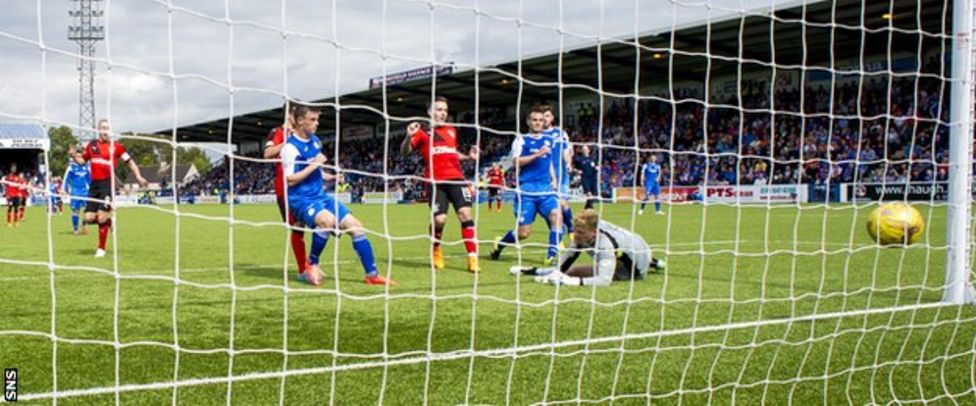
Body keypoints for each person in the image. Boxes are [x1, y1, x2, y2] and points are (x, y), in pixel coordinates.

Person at [281, 104, 395, 286]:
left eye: (317, 119)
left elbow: (314, 171)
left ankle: (372, 275)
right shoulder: (290, 148)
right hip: (301, 200)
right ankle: (312, 263)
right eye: (312, 119)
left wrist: (331, 176)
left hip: (320, 196)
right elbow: (290, 180)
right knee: (327, 221)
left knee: (355, 227)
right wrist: (315, 164)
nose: (317, 123)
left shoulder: (315, 141)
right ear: (300, 121)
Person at [400, 96, 480, 273]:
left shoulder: (452, 130)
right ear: (430, 112)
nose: (443, 113)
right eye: (439, 109)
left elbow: (452, 152)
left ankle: (473, 258)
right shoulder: (421, 132)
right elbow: (404, 152)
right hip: (435, 181)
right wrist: (408, 136)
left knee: (465, 214)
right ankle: (436, 248)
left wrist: (468, 157)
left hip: (457, 178)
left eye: (445, 110)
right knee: (440, 219)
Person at [512, 209, 666, 286]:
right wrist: (535, 272)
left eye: (580, 233)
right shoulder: (588, 232)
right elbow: (565, 262)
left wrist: (569, 281)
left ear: (593, 232)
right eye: (575, 231)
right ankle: (529, 270)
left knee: (576, 272)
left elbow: (604, 280)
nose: (575, 236)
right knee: (570, 270)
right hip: (638, 246)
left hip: (635, 270)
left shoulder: (605, 243)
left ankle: (651, 263)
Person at [489, 105, 563, 265]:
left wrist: (554, 178)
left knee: (557, 216)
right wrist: (537, 154)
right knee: (523, 233)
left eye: (541, 120)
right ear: (528, 122)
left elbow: (548, 161)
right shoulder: (521, 140)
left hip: (546, 189)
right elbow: (516, 162)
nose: (538, 123)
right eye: (534, 120)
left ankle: (551, 255)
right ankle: (500, 243)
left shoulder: (549, 140)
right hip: (526, 191)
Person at [71, 119, 149, 257]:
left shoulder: (117, 147)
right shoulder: (91, 145)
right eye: (103, 128)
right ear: (98, 130)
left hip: (108, 184)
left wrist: (139, 176)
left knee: (101, 217)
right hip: (94, 185)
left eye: (107, 128)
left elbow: (130, 162)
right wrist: (73, 156)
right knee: (88, 218)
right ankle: (110, 221)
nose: (105, 130)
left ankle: (101, 248)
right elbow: (82, 161)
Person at [263, 103, 308, 282]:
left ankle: (310, 264)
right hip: (286, 189)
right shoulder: (278, 132)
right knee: (298, 227)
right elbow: (267, 153)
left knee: (321, 222)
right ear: (289, 114)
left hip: (304, 186)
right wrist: (287, 142)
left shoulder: (302, 134)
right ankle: (303, 270)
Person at [541, 104, 575, 239]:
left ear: (552, 118)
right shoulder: (537, 135)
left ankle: (571, 228)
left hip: (561, 174)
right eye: (542, 116)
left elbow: (566, 150)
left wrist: (569, 164)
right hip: (544, 177)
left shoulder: (560, 133)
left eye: (547, 116)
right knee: (549, 209)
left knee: (562, 202)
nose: (545, 119)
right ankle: (557, 236)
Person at [62, 156, 92, 235]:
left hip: (85, 192)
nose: (79, 158)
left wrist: (93, 189)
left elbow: (91, 179)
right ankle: (75, 229)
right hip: (75, 192)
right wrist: (64, 190)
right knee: (75, 211)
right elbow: (66, 179)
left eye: (80, 156)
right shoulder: (71, 167)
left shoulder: (87, 166)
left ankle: (84, 226)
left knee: (87, 211)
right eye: (77, 156)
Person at [573, 144, 600, 210]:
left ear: (588, 150)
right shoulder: (579, 159)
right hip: (585, 179)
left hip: (593, 179)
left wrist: (597, 168)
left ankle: (586, 208)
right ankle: (590, 209)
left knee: (594, 196)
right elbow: (574, 168)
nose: (584, 150)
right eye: (583, 149)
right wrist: (577, 171)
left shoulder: (593, 158)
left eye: (586, 149)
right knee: (589, 194)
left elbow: (597, 166)